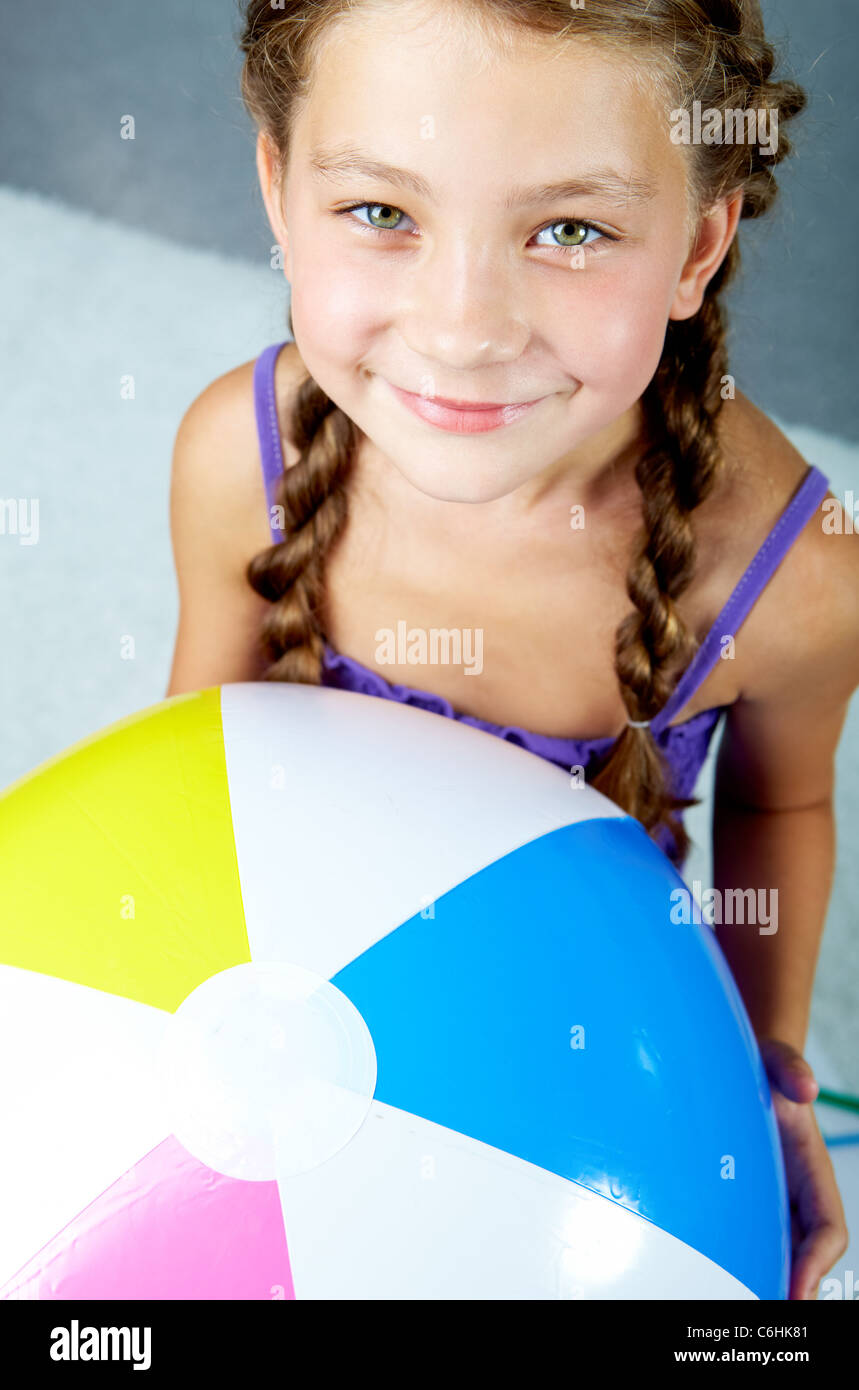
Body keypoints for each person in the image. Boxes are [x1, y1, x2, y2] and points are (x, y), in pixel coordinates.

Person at [166, 0, 859, 1299]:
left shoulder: (797, 573)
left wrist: (764, 1077)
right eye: (384, 213)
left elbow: (786, 797)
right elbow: (189, 771)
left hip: (586, 1045)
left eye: (571, 229)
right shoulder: (234, 459)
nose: (465, 325)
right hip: (290, 1003)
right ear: (278, 182)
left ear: (699, 243)